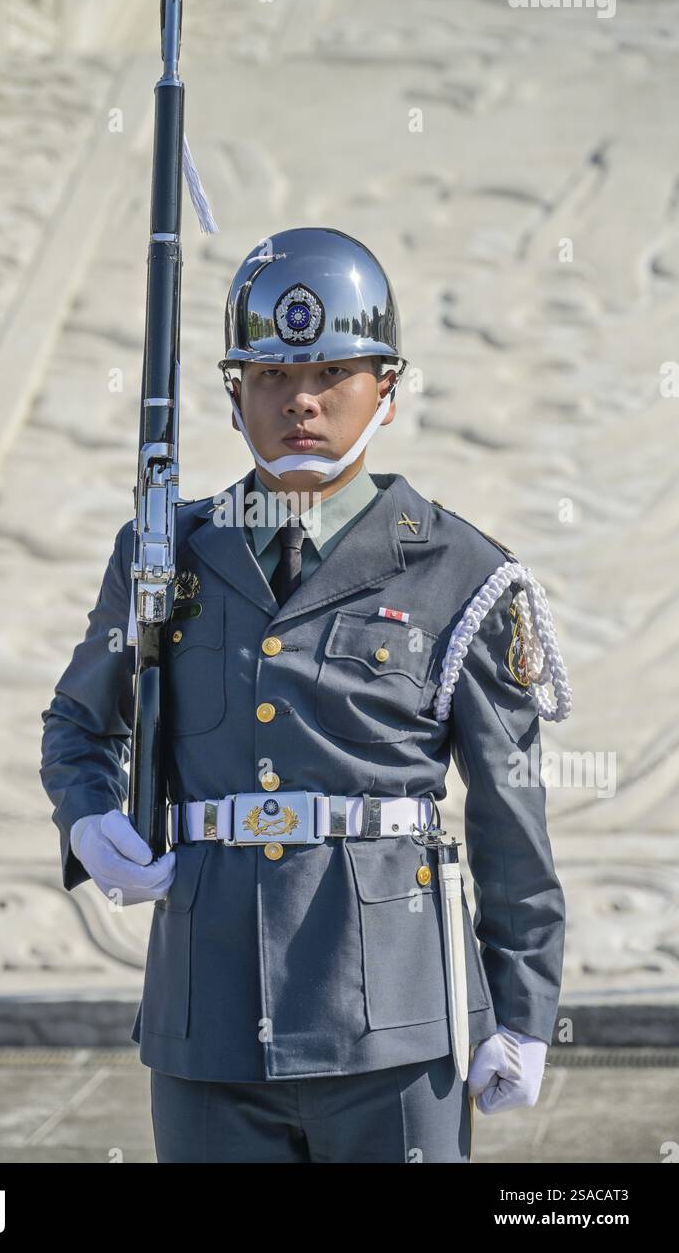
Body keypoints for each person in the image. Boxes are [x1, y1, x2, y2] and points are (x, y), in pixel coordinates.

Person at [40, 226, 570, 1163]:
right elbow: (79, 727)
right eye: (273, 377)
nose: (303, 401)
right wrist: (87, 819)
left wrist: (523, 1010)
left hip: (396, 1030)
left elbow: (507, 815)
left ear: (387, 389)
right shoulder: (165, 553)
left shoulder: (461, 571)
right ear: (233, 392)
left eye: (332, 372)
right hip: (207, 1025)